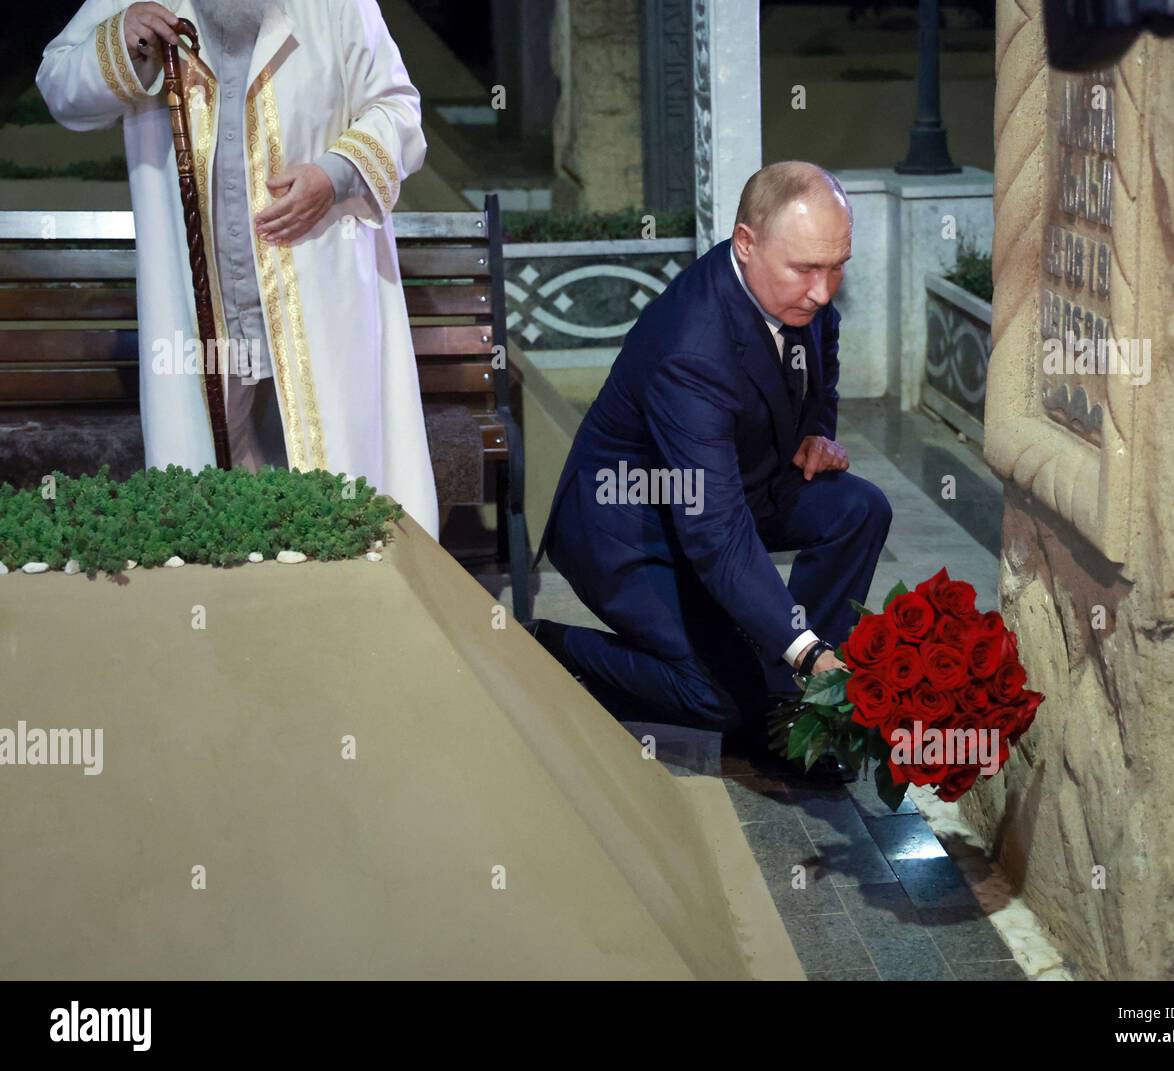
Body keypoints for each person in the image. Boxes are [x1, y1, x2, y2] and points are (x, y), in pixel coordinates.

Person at [530, 162, 893, 774]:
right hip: (630, 524)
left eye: (837, 267)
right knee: (720, 700)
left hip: (730, 489)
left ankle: (790, 715)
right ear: (746, 244)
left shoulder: (804, 294)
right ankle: (554, 648)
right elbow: (715, 534)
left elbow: (819, 371)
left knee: (859, 509)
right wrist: (807, 650)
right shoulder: (690, 350)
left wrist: (813, 435)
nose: (825, 291)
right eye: (807, 269)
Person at [36, 0, 440, 539]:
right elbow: (59, 83)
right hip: (199, 307)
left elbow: (397, 110)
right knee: (210, 506)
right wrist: (124, 39)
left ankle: (342, 617)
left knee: (331, 485)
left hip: (315, 296)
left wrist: (334, 175)